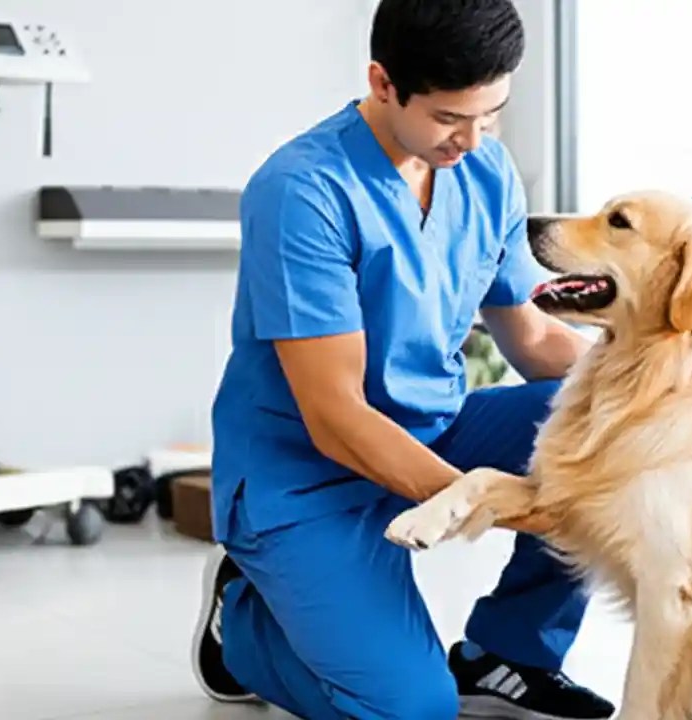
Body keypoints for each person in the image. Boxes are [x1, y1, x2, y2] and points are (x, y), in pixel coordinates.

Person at [190, 1, 615, 718]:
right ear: (383, 83)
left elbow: (534, 340)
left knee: (607, 417)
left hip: (435, 428)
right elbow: (335, 418)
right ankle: (243, 621)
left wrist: (664, 397)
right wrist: (492, 504)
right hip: (307, 475)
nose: (474, 140)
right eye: (450, 119)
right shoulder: (303, 190)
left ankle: (508, 653)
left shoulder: (486, 170)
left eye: (492, 114)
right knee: (413, 710)